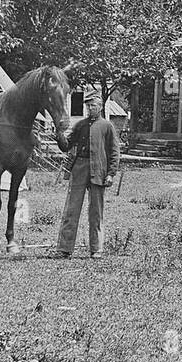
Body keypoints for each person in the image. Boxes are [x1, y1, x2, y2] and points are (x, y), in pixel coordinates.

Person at [54, 86, 119, 258]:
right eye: (88, 106)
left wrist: (111, 173)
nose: (90, 109)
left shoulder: (107, 126)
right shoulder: (80, 125)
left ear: (100, 106)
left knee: (96, 211)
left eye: (93, 106)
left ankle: (96, 249)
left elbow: (114, 152)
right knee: (71, 209)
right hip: (79, 168)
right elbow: (67, 145)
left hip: (99, 170)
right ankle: (64, 249)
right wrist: (59, 134)